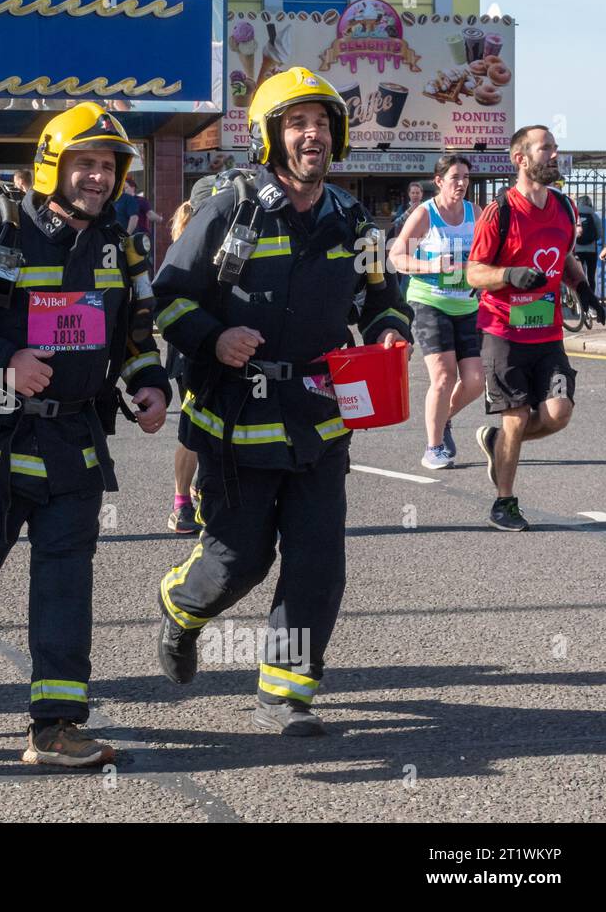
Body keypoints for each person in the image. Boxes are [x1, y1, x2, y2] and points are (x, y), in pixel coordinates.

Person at [0, 102, 171, 767]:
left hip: (73, 444)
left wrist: (148, 383)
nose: (98, 177)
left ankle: (55, 727)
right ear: (53, 165)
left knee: (65, 580)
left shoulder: (119, 244)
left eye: (107, 166)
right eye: (85, 163)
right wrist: (2, 361)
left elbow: (134, 333)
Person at [151, 68, 412, 735]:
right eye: (297, 123)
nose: (312, 135)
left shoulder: (354, 219)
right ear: (271, 135)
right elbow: (170, 297)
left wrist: (388, 333)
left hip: (321, 416)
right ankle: (182, 606)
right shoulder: (227, 205)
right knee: (239, 560)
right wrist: (216, 335)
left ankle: (285, 694)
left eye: (322, 123)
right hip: (236, 417)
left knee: (318, 559)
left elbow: (385, 300)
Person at [466, 125, 605, 531]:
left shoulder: (564, 207)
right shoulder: (501, 211)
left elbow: (562, 258)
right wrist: (509, 274)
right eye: (546, 149)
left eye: (555, 148)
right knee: (515, 416)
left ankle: (497, 444)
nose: (554, 155)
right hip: (503, 332)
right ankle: (503, 503)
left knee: (558, 413)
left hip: (547, 334)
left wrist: (583, 288)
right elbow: (474, 273)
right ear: (520, 159)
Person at [389, 154, 483, 469]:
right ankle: (434, 447)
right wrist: (431, 265)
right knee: (444, 376)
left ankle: (443, 419)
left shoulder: (475, 213)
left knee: (475, 380)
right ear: (439, 181)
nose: (462, 183)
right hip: (429, 302)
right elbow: (397, 257)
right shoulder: (425, 214)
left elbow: (486, 255)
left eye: (466, 177)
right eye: (455, 177)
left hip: (467, 304)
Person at [165, 199, 199, 534]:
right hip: (190, 354)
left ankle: (199, 493)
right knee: (192, 429)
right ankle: (181, 504)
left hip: (218, 352)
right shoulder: (184, 253)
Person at [574, 195, 601, 297]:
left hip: (578, 250)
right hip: (591, 250)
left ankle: (580, 298)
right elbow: (599, 234)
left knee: (578, 276)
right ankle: (592, 299)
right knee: (591, 276)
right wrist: (592, 239)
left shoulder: (575, 215)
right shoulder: (594, 216)